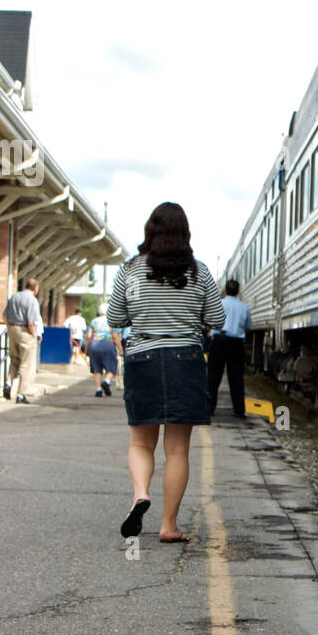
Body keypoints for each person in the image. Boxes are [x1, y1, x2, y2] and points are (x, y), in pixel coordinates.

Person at [107, 202, 225, 544]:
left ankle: (140, 494)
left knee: (141, 442)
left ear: (151, 230)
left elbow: (116, 318)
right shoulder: (199, 272)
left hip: (142, 358)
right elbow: (217, 319)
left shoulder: (129, 270)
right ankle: (169, 526)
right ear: (184, 234)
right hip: (185, 359)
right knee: (177, 450)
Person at [207, 279, 252, 417]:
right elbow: (248, 327)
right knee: (236, 378)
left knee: (213, 377)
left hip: (218, 342)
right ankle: (239, 411)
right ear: (238, 292)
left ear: (225, 291)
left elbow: (210, 323)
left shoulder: (218, 304)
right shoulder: (244, 307)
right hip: (236, 344)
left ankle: (209, 409)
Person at [2, 277, 41, 404]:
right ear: (35, 289)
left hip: (12, 329)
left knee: (14, 359)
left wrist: (10, 327)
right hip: (25, 331)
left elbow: (4, 316)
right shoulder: (32, 300)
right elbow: (31, 322)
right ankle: (21, 393)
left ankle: (8, 383)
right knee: (26, 363)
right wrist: (34, 334)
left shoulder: (14, 297)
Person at [84, 304, 122, 396]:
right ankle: (107, 381)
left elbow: (89, 336)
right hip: (107, 344)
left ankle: (98, 389)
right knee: (112, 365)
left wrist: (86, 349)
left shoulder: (94, 321)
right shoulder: (112, 320)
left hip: (94, 344)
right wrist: (121, 349)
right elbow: (115, 337)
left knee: (96, 368)